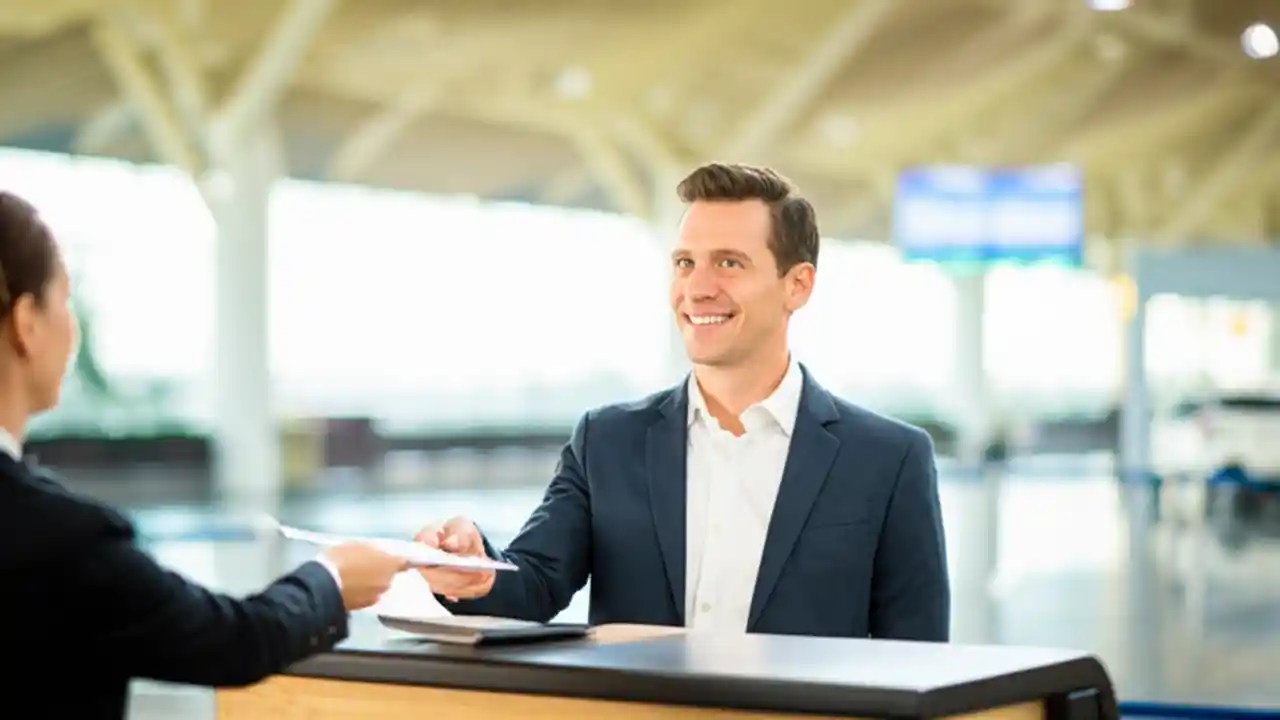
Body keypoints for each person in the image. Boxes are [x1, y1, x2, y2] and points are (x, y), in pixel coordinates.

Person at [416, 163, 950, 640]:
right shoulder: (606, 442)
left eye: (729, 264)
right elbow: (534, 583)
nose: (697, 288)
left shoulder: (888, 460)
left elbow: (920, 663)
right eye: (685, 263)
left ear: (798, 286)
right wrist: (477, 571)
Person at [0, 190, 409, 718]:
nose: (71, 329)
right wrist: (331, 578)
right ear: (27, 321)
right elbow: (234, 639)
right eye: (64, 300)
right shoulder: (57, 537)